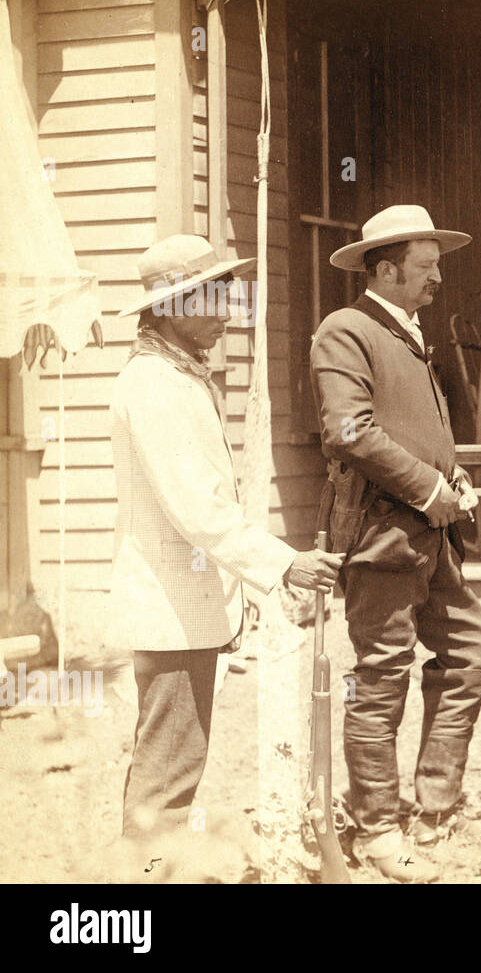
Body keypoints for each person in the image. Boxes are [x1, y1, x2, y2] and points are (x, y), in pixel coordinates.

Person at [110, 234, 342, 843]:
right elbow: (198, 510)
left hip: (184, 608)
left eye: (225, 293)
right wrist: (285, 563)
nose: (225, 311)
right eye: (209, 297)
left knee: (169, 762)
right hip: (169, 610)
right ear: (170, 308)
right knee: (168, 771)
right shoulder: (156, 386)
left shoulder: (181, 379)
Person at [311, 205, 481, 882]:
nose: (438, 277)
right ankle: (378, 830)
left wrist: (454, 477)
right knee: (379, 681)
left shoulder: (408, 333)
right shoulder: (346, 331)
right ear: (385, 270)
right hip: (380, 537)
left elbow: (412, 429)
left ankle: (435, 808)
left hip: (432, 533)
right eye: (426, 266)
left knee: (474, 657)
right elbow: (349, 431)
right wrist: (426, 487)